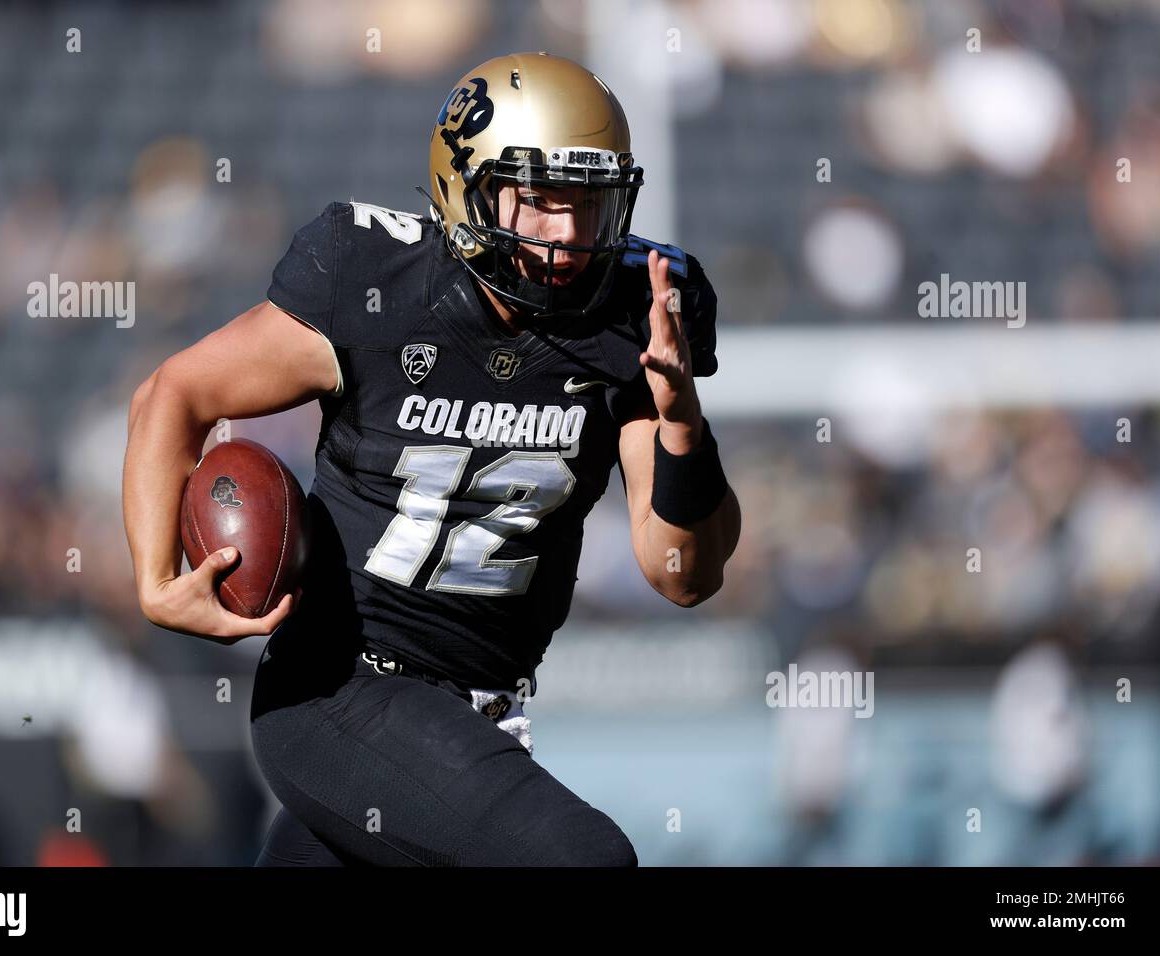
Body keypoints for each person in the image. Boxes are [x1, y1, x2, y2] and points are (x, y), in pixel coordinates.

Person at [123, 52, 741, 866]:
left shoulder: (637, 313)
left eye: (587, 205)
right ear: (467, 187)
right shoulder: (374, 280)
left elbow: (681, 574)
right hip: (341, 686)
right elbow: (174, 394)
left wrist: (681, 420)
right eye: (541, 200)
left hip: (472, 716)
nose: (564, 233)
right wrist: (156, 578)